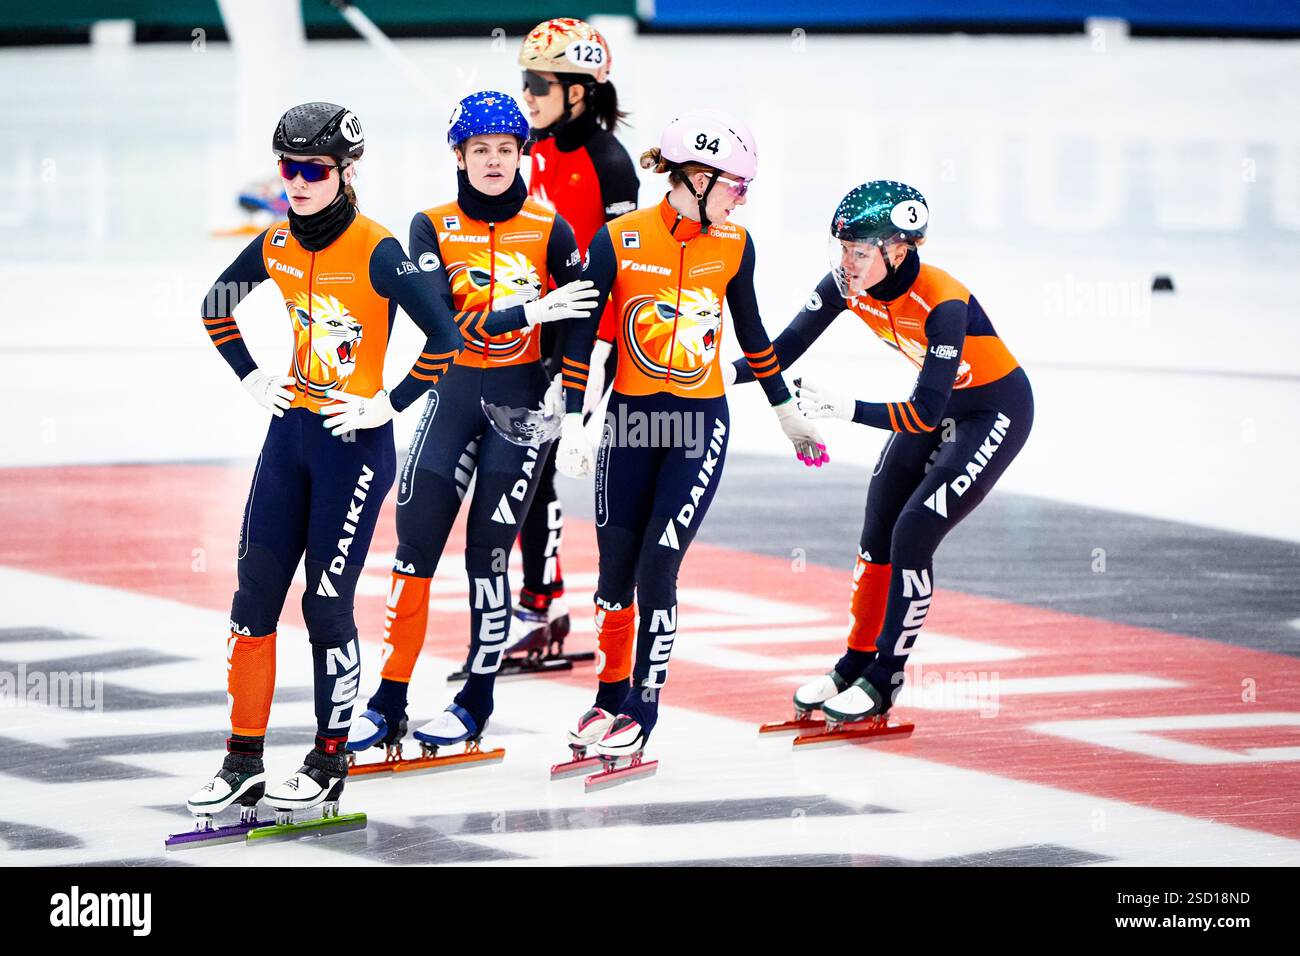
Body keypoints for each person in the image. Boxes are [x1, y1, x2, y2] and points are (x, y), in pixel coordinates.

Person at [186, 102, 463, 826]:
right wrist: (249, 375)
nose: (299, 181)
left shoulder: (377, 250)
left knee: (324, 605)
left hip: (353, 447)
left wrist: (391, 402)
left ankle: (328, 760)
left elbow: (445, 336)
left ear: (346, 173)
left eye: (314, 169)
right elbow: (217, 305)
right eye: (288, 168)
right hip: (289, 438)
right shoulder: (276, 243)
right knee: (253, 602)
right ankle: (243, 761)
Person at [554, 109, 830, 766]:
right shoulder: (619, 240)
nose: (742, 198)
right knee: (613, 575)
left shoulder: (736, 245)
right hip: (628, 423)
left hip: (695, 427)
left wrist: (784, 412)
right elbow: (583, 339)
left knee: (658, 564)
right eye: (737, 184)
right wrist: (573, 419)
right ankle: (610, 693)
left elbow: (755, 337)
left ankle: (643, 707)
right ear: (698, 177)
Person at [347, 91, 599, 757]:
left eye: (506, 149)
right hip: (451, 397)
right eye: (480, 150)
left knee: (488, 555)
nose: (493, 161)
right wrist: (526, 312)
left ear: (523, 155)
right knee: (414, 549)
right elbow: (446, 329)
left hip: (524, 411)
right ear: (458, 155)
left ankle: (475, 701)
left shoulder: (552, 232)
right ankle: (388, 700)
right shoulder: (429, 225)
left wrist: (572, 415)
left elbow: (577, 332)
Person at [730, 180, 1033, 725]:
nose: (847, 263)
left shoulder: (944, 302)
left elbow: (921, 411)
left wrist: (847, 408)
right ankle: (853, 663)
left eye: (860, 252)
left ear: (900, 250)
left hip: (993, 412)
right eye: (842, 249)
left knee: (914, 529)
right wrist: (709, 375)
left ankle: (884, 679)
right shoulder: (847, 285)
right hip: (940, 406)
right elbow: (777, 352)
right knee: (877, 526)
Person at [507, 17, 640, 660]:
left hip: (583, 341)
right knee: (525, 470)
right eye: (523, 82)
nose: (527, 95)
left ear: (581, 90)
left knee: (535, 471)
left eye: (539, 84)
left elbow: (626, 269)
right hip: (532, 331)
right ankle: (544, 605)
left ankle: (544, 604)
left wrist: (594, 360)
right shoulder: (528, 146)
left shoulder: (610, 164)